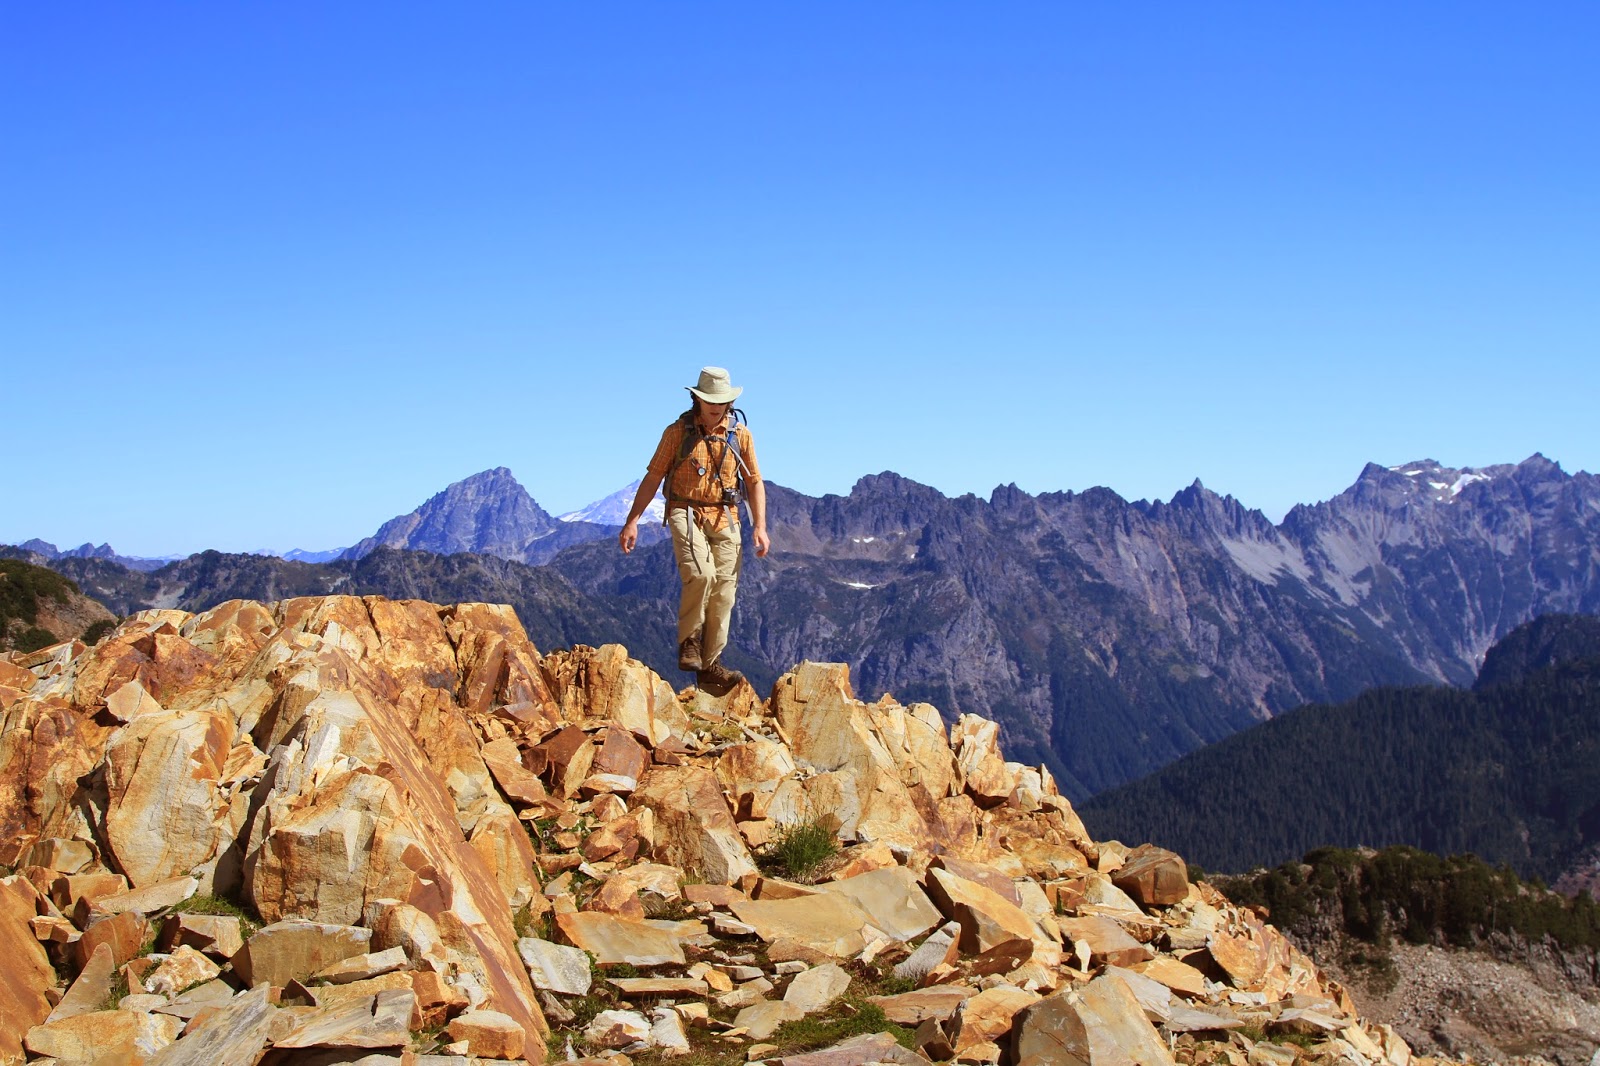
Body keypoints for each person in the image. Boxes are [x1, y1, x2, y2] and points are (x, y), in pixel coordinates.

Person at [619, 367, 770, 696]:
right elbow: (654, 476)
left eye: (723, 401)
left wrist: (760, 526)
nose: (717, 407)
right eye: (710, 401)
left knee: (724, 593)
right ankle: (689, 643)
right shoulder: (676, 433)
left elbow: (754, 481)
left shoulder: (740, 435)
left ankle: (710, 665)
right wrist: (633, 520)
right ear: (697, 399)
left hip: (727, 516)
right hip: (684, 510)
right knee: (701, 575)